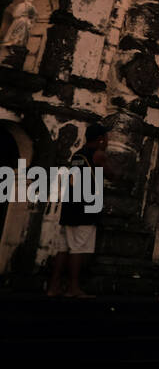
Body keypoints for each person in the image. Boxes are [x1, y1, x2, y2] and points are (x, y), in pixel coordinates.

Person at [48, 124, 109, 299]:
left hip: (70, 206)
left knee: (63, 247)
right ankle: (73, 287)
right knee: (78, 248)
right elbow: (113, 174)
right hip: (85, 208)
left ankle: (54, 286)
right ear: (100, 139)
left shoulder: (78, 155)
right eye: (106, 138)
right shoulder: (98, 155)